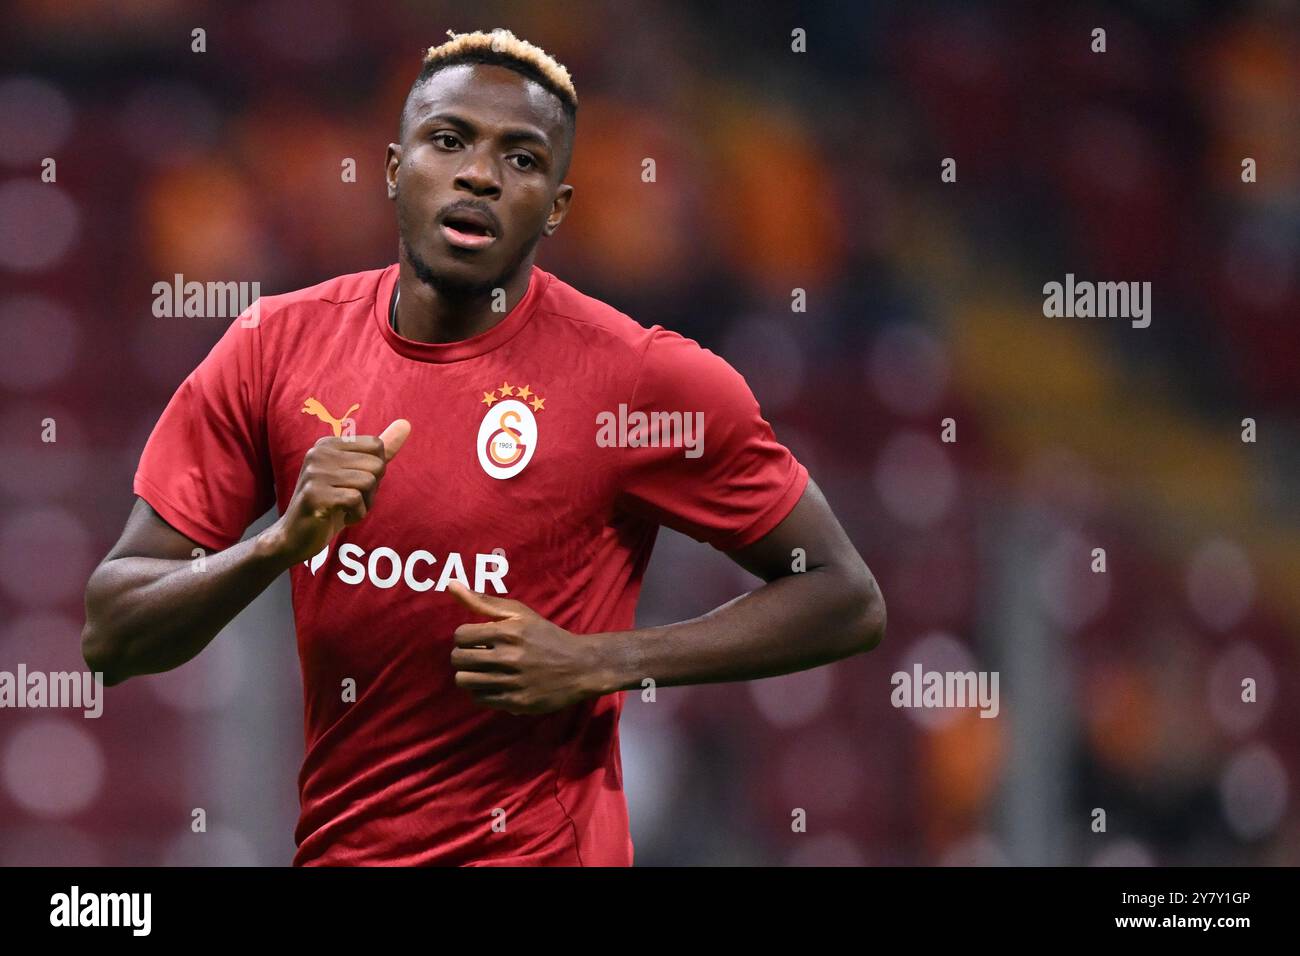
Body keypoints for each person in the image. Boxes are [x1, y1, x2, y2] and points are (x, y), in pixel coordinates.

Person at [81, 27, 886, 866]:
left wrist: (600, 661)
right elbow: (112, 634)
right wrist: (277, 544)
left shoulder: (644, 379)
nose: (479, 175)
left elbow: (843, 595)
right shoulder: (272, 348)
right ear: (394, 168)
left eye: (523, 159)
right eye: (449, 140)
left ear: (557, 207)